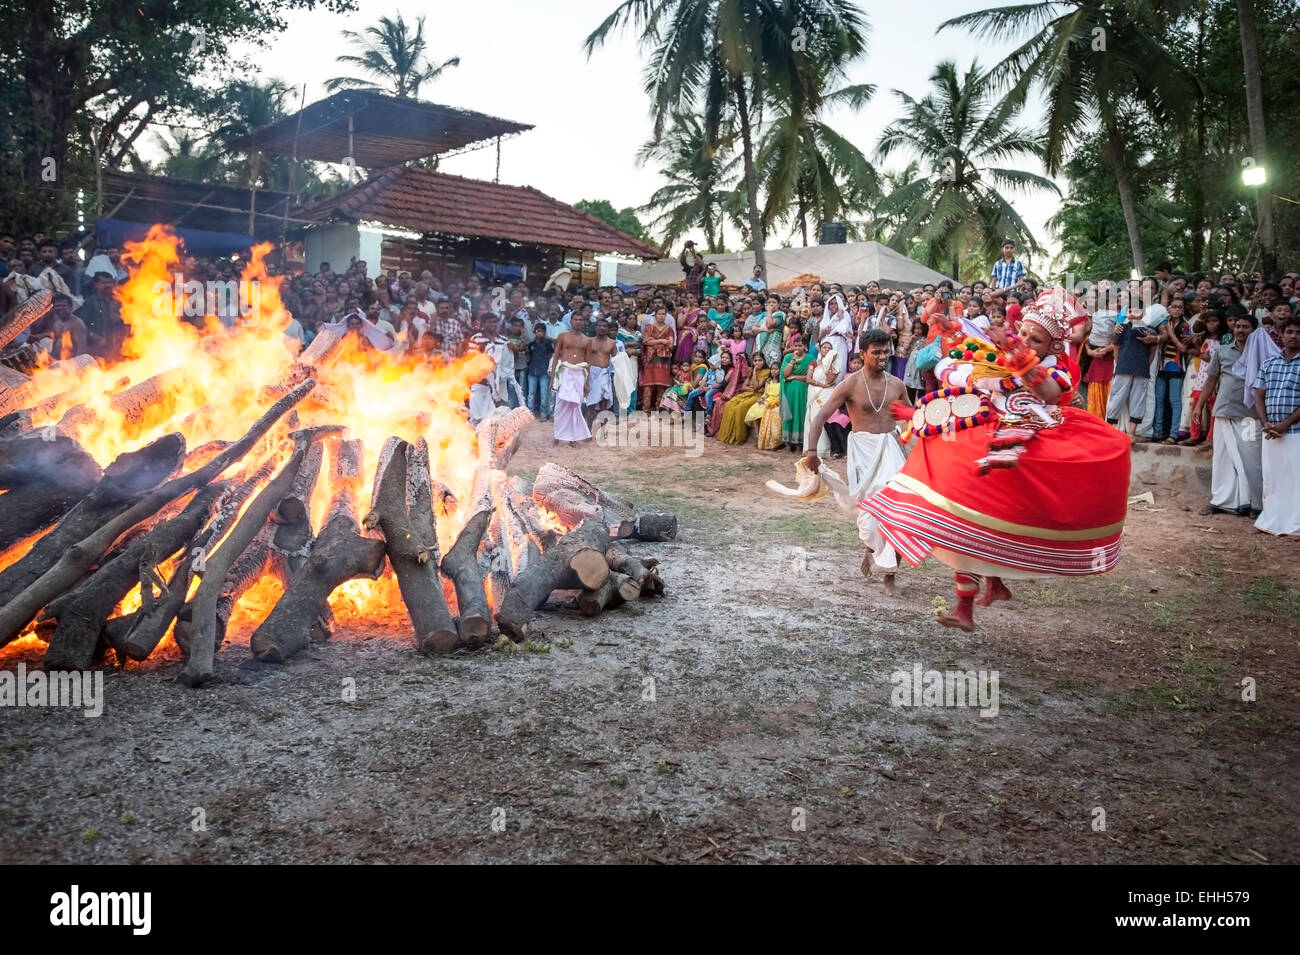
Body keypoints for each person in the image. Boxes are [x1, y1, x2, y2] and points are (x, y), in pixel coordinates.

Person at [862, 289, 1131, 628]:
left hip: (1029, 441)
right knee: (963, 513)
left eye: (1036, 339)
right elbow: (969, 359)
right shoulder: (1003, 355)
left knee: (981, 513)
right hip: (987, 432)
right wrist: (951, 332)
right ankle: (971, 602)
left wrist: (1016, 352)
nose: (1026, 341)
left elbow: (1046, 392)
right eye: (1023, 334)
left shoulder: (1057, 369)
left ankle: (986, 588)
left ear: (1054, 347)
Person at [802, 329, 908, 592]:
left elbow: (913, 417)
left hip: (892, 448)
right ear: (862, 353)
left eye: (886, 351)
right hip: (863, 452)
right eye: (877, 352)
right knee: (870, 516)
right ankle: (871, 547)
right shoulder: (850, 384)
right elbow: (819, 417)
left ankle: (889, 574)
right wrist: (812, 452)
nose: (883, 356)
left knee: (898, 512)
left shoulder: (897, 384)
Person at [1194, 312, 1262, 517]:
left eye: (1246, 327)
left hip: (1250, 415)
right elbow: (1211, 381)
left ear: (1254, 330)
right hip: (1224, 411)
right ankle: (1221, 500)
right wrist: (1199, 405)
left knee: (1252, 460)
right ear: (1233, 329)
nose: (1241, 330)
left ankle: (1255, 503)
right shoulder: (1222, 351)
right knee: (1222, 458)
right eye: (1238, 326)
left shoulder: (1260, 353)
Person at [1251, 315, 1300, 535]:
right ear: (1282, 334)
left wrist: (1284, 424)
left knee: (1296, 479)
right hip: (1270, 431)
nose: (1293, 336)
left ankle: (1295, 524)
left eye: (1298, 333)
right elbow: (1258, 395)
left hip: (1296, 432)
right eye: (1289, 332)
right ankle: (1271, 520)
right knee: (1273, 477)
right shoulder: (1270, 363)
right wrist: (1266, 422)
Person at [549, 313, 593, 446]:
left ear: (584, 322)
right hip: (565, 372)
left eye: (581, 319)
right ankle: (557, 436)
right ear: (571, 321)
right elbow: (556, 356)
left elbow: (588, 362)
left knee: (576, 406)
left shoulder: (587, 340)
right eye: (576, 319)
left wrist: (587, 383)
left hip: (579, 373)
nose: (578, 322)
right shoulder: (563, 336)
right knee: (560, 405)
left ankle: (572, 438)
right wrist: (553, 377)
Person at [718, 353, 770, 444]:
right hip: (748, 393)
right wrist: (753, 388)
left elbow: (757, 386)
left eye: (760, 360)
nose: (757, 363)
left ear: (764, 361)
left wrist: (754, 373)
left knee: (741, 407)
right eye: (755, 361)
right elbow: (743, 387)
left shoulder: (766, 371)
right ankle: (728, 435)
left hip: (758, 396)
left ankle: (739, 437)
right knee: (730, 404)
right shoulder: (751, 371)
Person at [805, 338, 842, 455]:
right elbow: (808, 379)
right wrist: (821, 384)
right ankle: (812, 448)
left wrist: (828, 363)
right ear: (820, 350)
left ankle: (826, 449)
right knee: (814, 417)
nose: (827, 349)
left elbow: (831, 380)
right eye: (824, 347)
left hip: (827, 393)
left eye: (830, 348)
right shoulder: (814, 363)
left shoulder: (835, 364)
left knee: (827, 418)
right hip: (815, 392)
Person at [584, 318, 621, 427]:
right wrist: (585, 379)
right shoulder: (590, 341)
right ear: (596, 327)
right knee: (590, 405)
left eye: (604, 326)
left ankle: (603, 432)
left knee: (604, 405)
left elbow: (616, 361)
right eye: (600, 326)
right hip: (592, 374)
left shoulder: (612, 343)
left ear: (608, 329)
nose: (602, 328)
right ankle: (588, 433)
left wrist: (617, 376)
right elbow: (585, 360)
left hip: (605, 374)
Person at [779, 336, 813, 452]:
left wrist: (794, 377)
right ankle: (788, 442)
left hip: (803, 390)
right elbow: (784, 375)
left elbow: (809, 377)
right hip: (789, 392)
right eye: (796, 346)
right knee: (791, 412)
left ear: (805, 346)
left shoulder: (810, 359)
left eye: (800, 346)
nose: (798, 348)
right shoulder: (788, 357)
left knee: (801, 412)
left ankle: (800, 442)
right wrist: (793, 360)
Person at [639, 307, 674, 412]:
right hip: (651, 360)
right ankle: (645, 411)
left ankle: (659, 411)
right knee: (647, 386)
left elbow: (671, 345)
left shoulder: (669, 329)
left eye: (663, 314)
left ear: (666, 316)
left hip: (663, 361)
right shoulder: (649, 327)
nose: (661, 316)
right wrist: (663, 341)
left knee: (661, 387)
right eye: (659, 314)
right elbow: (646, 341)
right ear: (655, 315)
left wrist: (655, 341)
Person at [816, 292, 853, 383]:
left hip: (840, 342)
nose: (833, 305)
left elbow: (845, 329)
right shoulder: (825, 318)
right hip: (826, 342)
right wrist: (824, 332)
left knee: (838, 366)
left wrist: (840, 316)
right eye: (831, 303)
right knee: (823, 366)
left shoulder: (845, 314)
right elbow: (819, 337)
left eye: (836, 303)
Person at [526, 323, 555, 420]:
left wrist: (549, 367)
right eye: (537, 331)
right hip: (532, 371)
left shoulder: (547, 344)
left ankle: (543, 413)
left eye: (541, 331)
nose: (539, 333)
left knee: (544, 393)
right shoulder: (531, 344)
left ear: (544, 332)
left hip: (544, 371)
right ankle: (530, 413)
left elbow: (551, 355)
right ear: (534, 332)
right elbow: (528, 355)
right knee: (531, 393)